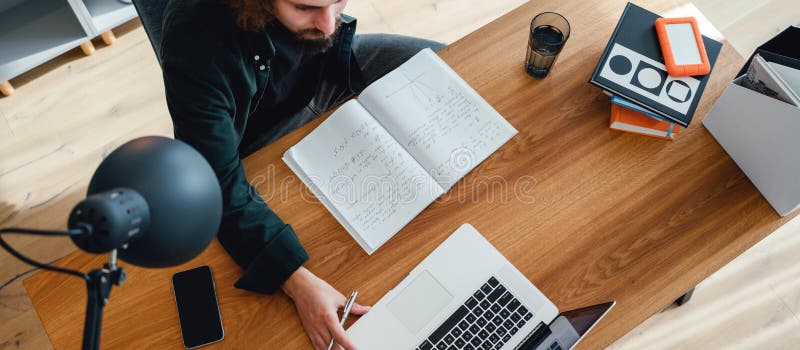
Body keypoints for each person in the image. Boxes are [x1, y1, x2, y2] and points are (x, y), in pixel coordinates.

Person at [159, 0, 444, 348]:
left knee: (446, 66)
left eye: (336, 1)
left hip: (328, 66)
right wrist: (295, 281)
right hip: (264, 130)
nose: (327, 25)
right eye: (305, 7)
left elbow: (327, 30)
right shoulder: (196, 39)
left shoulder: (323, 28)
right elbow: (213, 181)